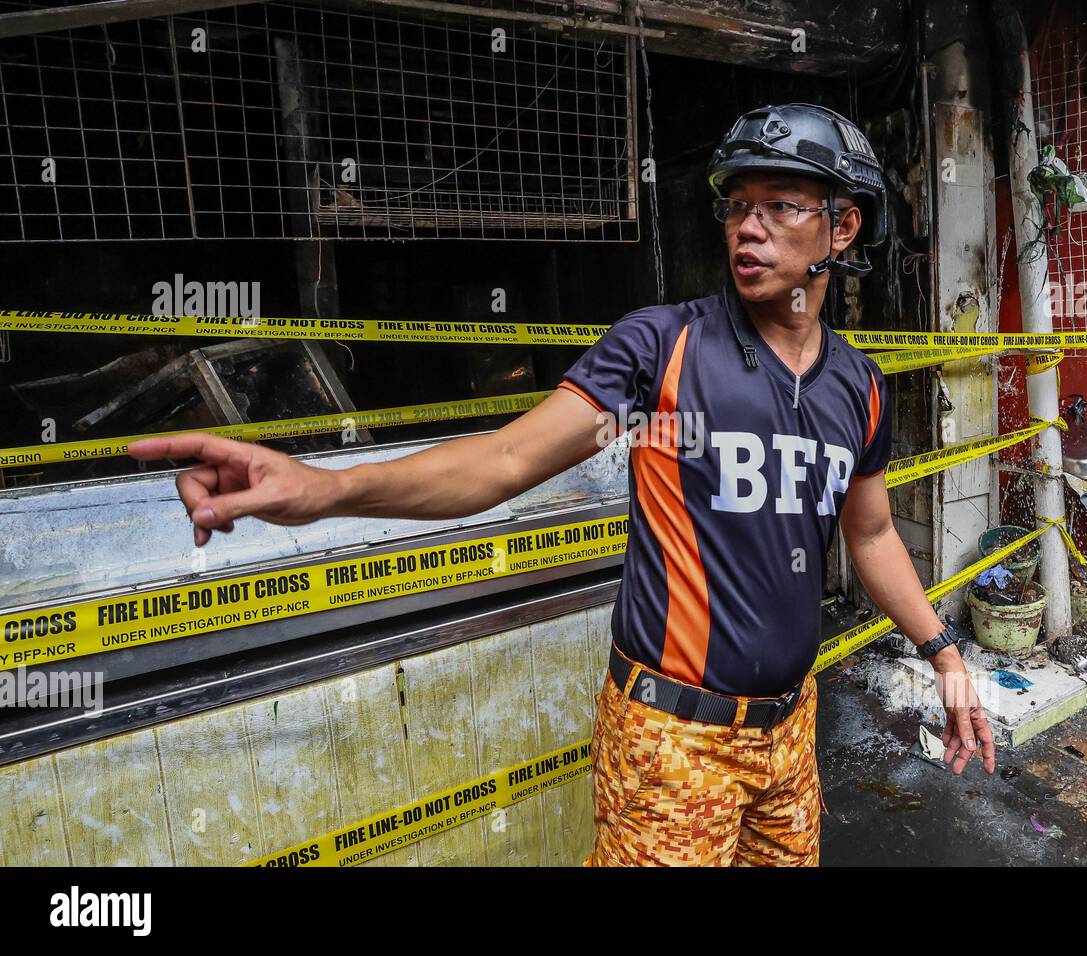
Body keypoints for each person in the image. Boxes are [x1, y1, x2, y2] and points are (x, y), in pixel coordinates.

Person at [128, 102, 996, 867]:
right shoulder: (662, 347)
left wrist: (943, 652)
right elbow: (504, 461)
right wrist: (322, 489)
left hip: (790, 729)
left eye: (779, 207)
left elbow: (872, 534)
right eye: (737, 207)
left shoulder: (861, 386)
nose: (748, 228)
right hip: (670, 742)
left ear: (842, 230)